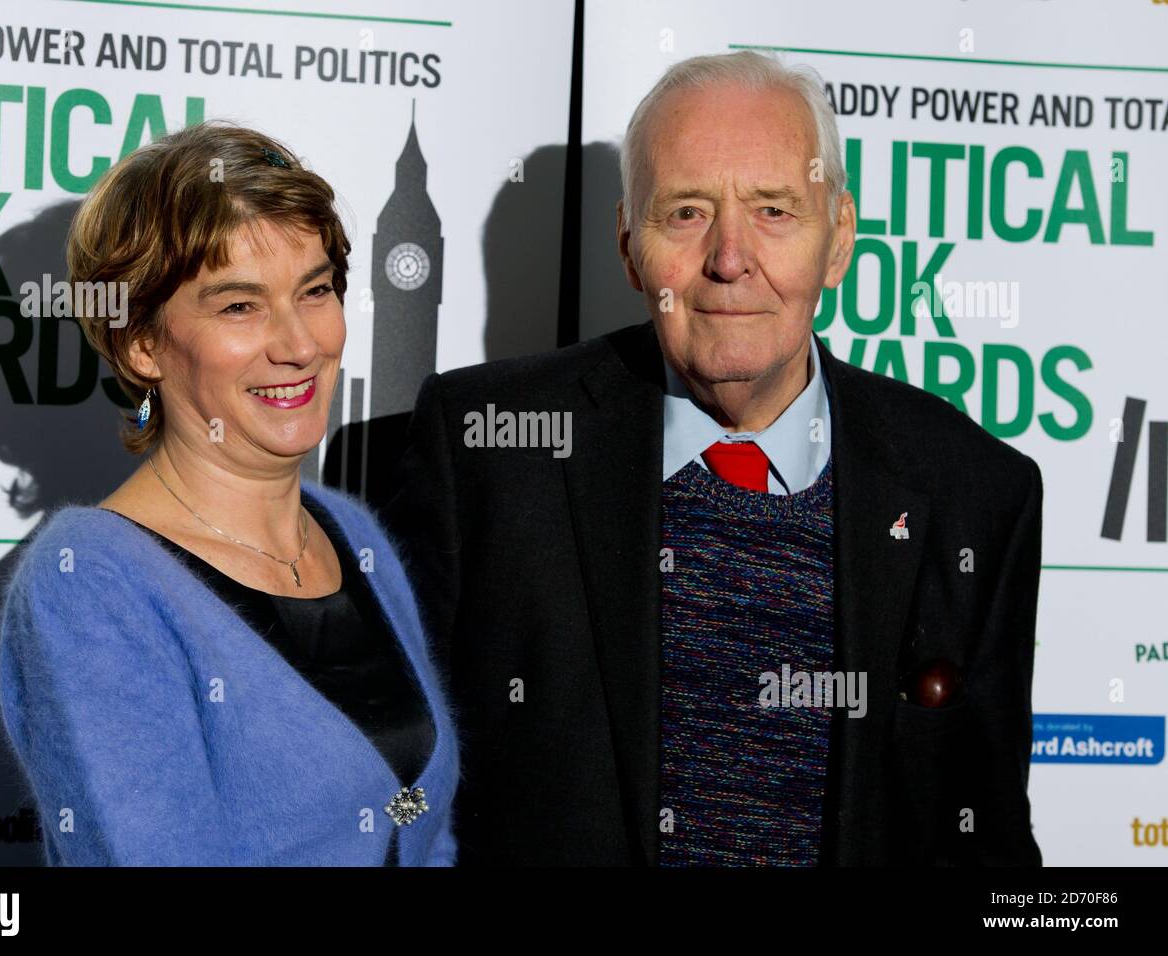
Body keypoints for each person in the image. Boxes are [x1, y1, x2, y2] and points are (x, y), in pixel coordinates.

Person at [381, 51, 1043, 865]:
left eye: (774, 211)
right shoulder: (483, 448)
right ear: (629, 246)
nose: (731, 260)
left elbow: (988, 840)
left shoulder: (973, 491)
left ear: (838, 242)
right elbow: (397, 792)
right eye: (687, 213)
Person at [0, 121, 459, 866]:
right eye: (239, 306)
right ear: (140, 344)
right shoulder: (87, 583)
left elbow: (431, 837)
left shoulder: (355, 535)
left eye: (315, 290)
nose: (300, 343)